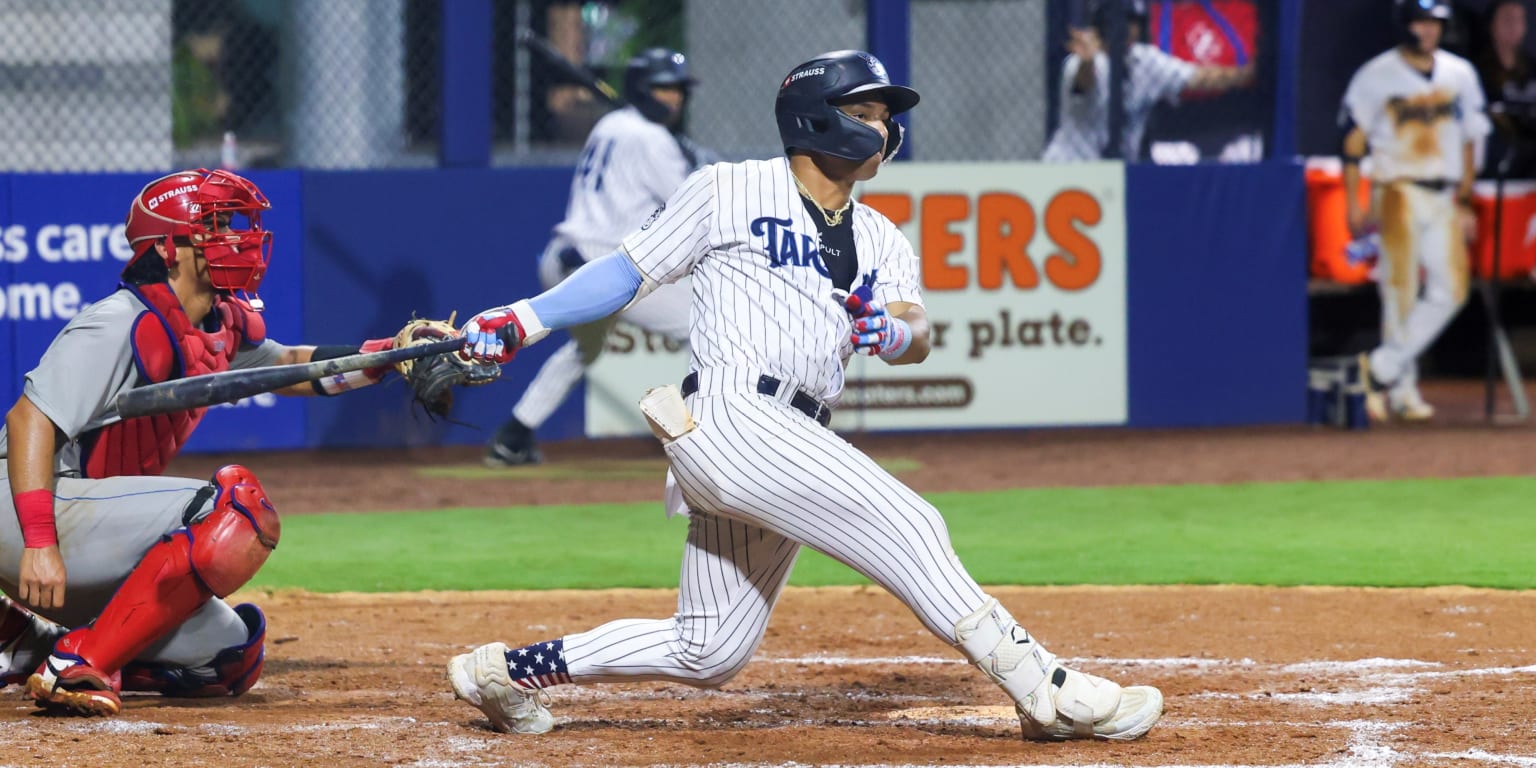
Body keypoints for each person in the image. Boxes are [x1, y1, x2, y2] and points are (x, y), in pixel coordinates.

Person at [446, 50, 1163, 743]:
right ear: (817, 118)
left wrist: (893, 333)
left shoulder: (882, 236)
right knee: (911, 523)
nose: (884, 126)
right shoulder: (727, 189)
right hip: (732, 417)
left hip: (790, 437)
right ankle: (1044, 688)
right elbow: (624, 274)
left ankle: (505, 672)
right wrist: (523, 318)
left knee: (710, 648)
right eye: (868, 110)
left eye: (887, 114)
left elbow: (918, 330)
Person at [0, 169, 429, 716]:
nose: (237, 237)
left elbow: (291, 367)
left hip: (82, 532)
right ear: (167, 247)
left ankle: (26, 644)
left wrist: (388, 356)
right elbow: (27, 421)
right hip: (25, 513)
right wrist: (39, 543)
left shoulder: (211, 326)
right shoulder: (118, 324)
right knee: (233, 507)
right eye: (215, 226)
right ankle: (78, 662)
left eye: (231, 224)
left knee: (229, 657)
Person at [484, 47, 705, 467]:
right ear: (643, 89)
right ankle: (717, 435)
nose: (673, 98)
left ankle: (513, 436)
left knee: (584, 350)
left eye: (678, 90)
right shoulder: (650, 137)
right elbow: (690, 204)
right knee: (704, 328)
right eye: (663, 89)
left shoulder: (613, 123)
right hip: (611, 265)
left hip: (568, 256)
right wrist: (698, 165)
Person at [1346, 0, 1490, 421]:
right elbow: (1353, 141)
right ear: (1404, 25)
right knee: (1400, 292)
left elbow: (1470, 139)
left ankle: (1378, 370)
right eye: (1422, 22)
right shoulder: (1376, 75)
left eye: (1435, 23)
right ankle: (1402, 391)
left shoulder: (1459, 73)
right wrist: (1354, 201)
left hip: (1444, 192)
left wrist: (1465, 200)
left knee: (1452, 290)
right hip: (1398, 188)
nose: (1429, 31)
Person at [1041, 0, 1254, 162]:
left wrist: (1248, 74)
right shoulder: (1083, 62)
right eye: (1123, 21)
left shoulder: (1146, 60)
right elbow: (1084, 84)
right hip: (1071, 166)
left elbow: (1199, 78)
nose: (1128, 29)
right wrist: (1086, 63)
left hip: (1116, 176)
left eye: (1134, 22)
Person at [1477, 0, 1536, 178]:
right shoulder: (1478, 72)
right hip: (1493, 166)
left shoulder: (1532, 68)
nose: (1514, 26)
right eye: (1508, 19)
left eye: (1519, 20)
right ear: (1492, 25)